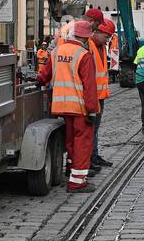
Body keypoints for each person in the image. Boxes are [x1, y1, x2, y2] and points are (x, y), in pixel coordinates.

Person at [37, 18, 99, 194]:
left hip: (60, 105)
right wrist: (92, 110)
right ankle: (77, 182)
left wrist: (38, 81)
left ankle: (71, 171)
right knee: (82, 143)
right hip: (79, 108)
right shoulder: (84, 55)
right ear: (87, 38)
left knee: (70, 141)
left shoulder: (57, 51)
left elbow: (45, 75)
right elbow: (89, 86)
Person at [88, 19, 114, 175]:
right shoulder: (89, 45)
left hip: (100, 95)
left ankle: (94, 156)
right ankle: (89, 159)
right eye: (106, 36)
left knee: (95, 129)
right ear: (97, 32)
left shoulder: (101, 47)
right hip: (91, 96)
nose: (108, 40)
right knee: (90, 129)